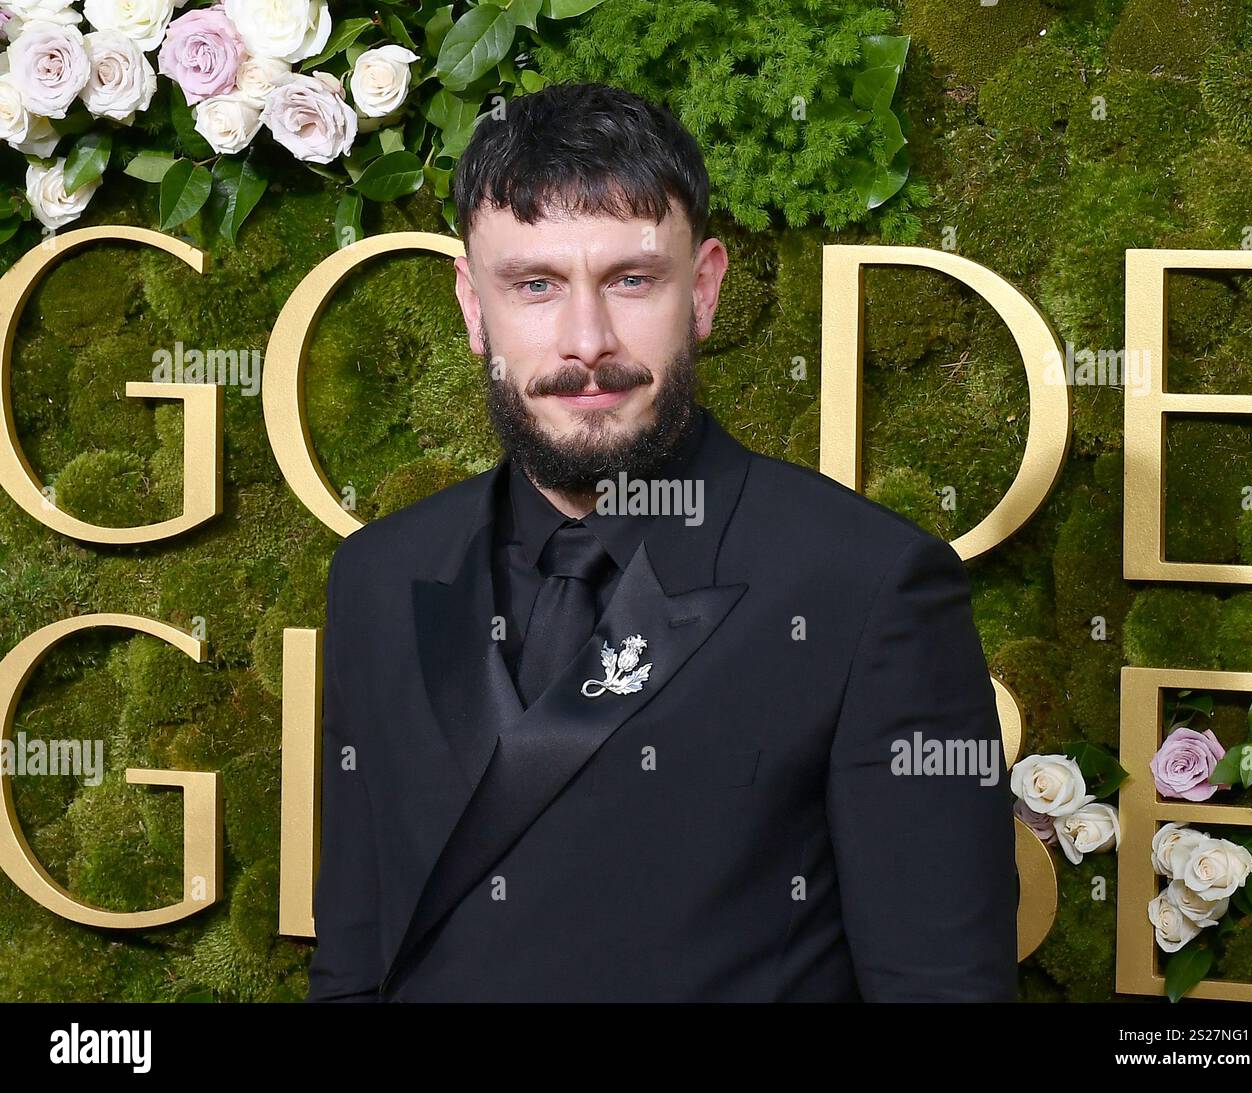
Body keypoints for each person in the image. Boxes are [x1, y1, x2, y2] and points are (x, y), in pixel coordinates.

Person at [306, 81, 1018, 1003]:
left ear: (706, 287)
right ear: (472, 303)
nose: (586, 341)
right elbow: (354, 968)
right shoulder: (379, 577)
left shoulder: (864, 586)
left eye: (632, 280)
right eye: (534, 285)